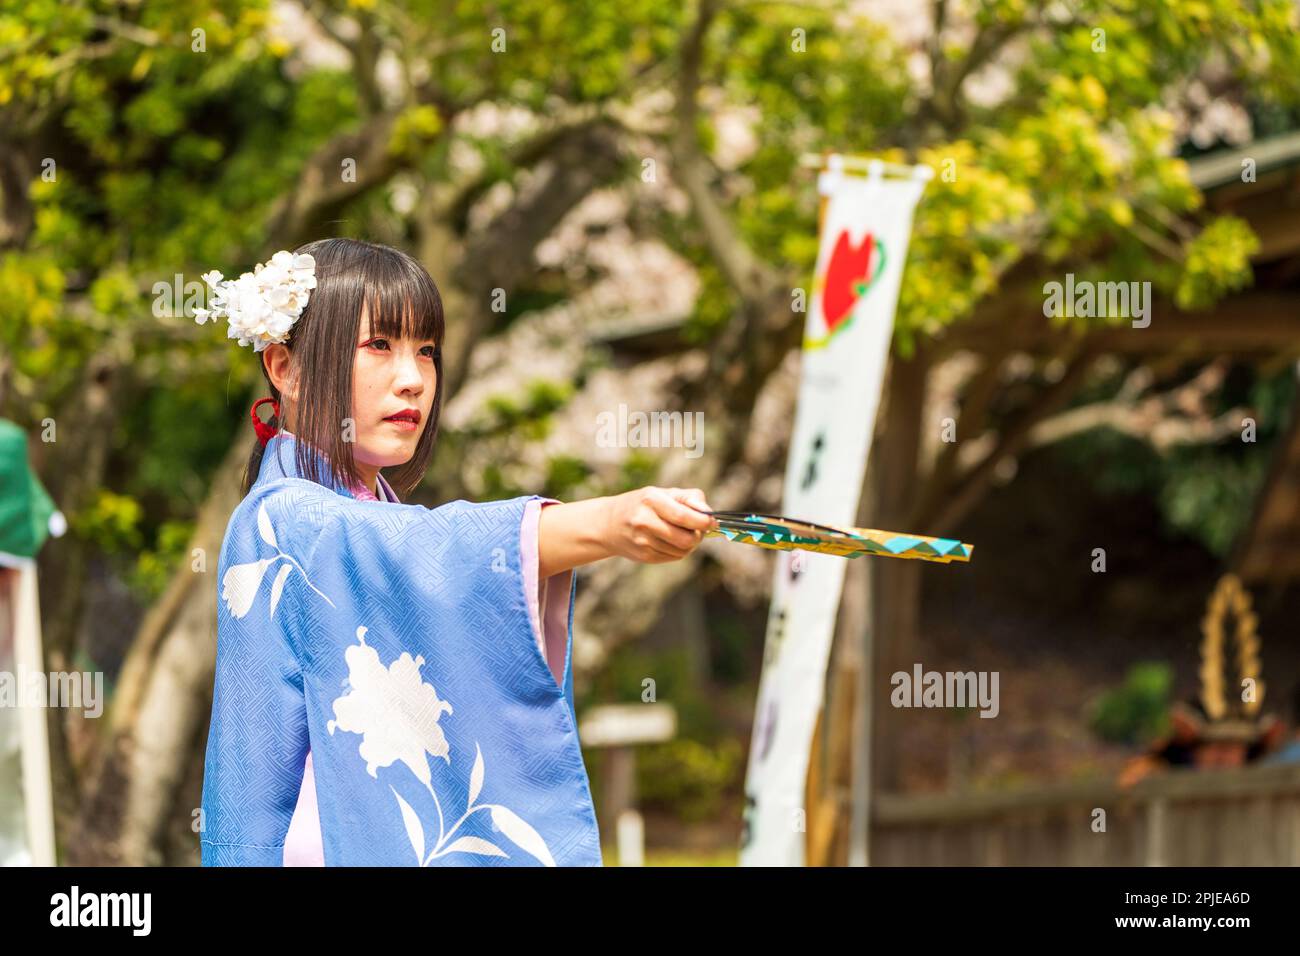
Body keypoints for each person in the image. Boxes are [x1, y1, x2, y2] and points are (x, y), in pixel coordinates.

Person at [197, 238, 716, 866]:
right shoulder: (283, 518)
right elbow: (430, 554)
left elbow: (414, 552)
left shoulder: (358, 513)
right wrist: (605, 523)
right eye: (379, 347)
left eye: (427, 351)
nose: (413, 379)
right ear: (285, 369)